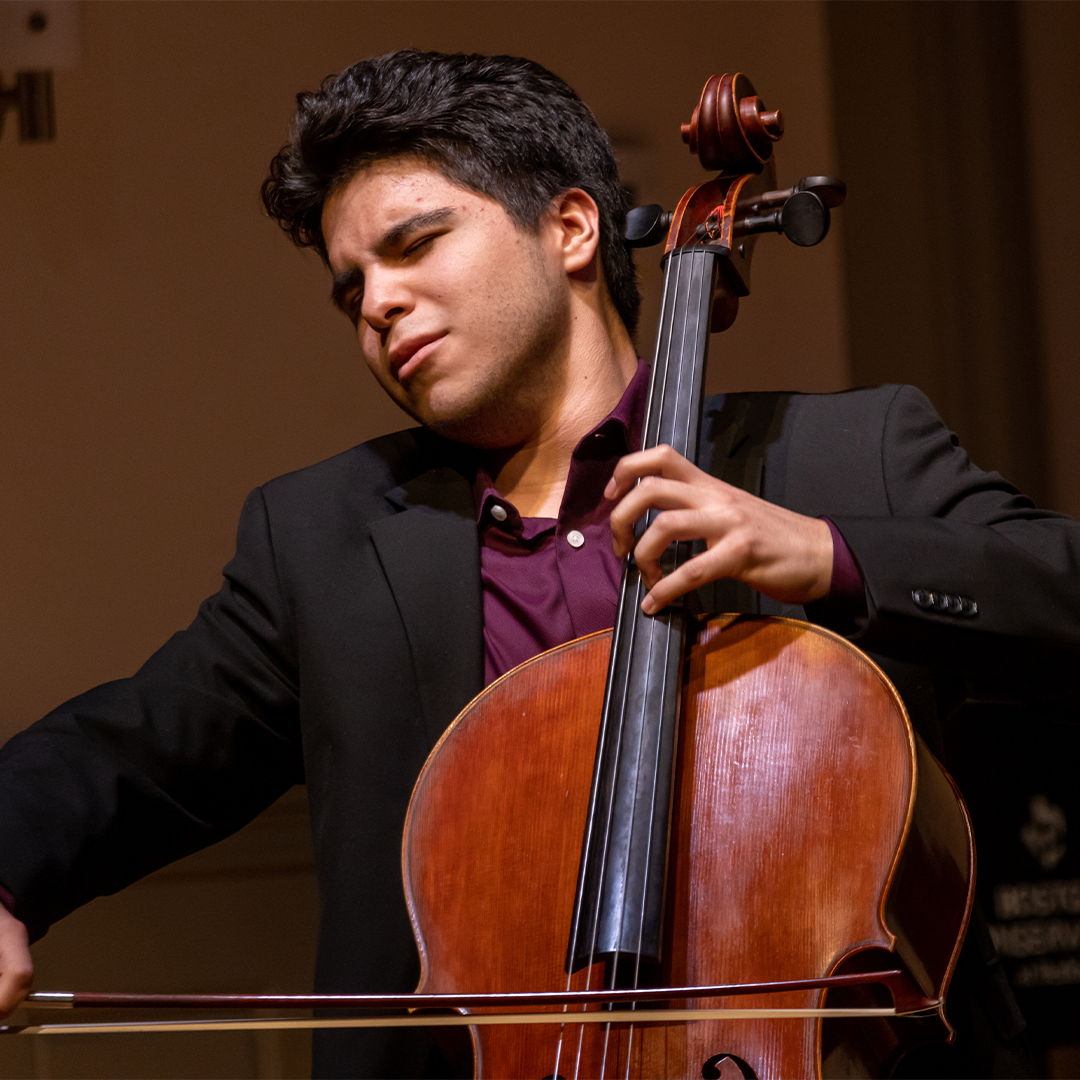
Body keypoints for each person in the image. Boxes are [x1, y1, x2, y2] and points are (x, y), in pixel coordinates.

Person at [0, 49, 1076, 1078]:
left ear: (568, 228)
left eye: (414, 245)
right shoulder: (321, 541)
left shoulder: (852, 456)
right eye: (351, 289)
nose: (376, 304)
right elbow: (128, 752)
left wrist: (830, 554)